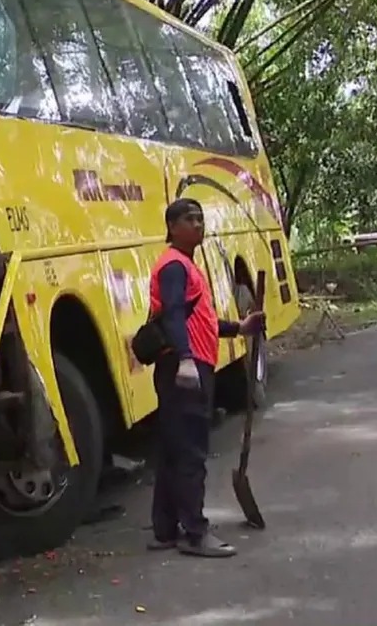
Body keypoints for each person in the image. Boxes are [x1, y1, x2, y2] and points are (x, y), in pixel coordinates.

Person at [147, 198, 264, 558]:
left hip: (188, 364)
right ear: (171, 228)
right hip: (186, 368)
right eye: (188, 219)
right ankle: (195, 532)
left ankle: (167, 529)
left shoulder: (186, 267)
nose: (197, 224)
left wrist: (240, 328)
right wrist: (184, 360)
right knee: (191, 452)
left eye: (200, 218)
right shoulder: (174, 266)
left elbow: (201, 321)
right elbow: (172, 316)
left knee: (173, 450)